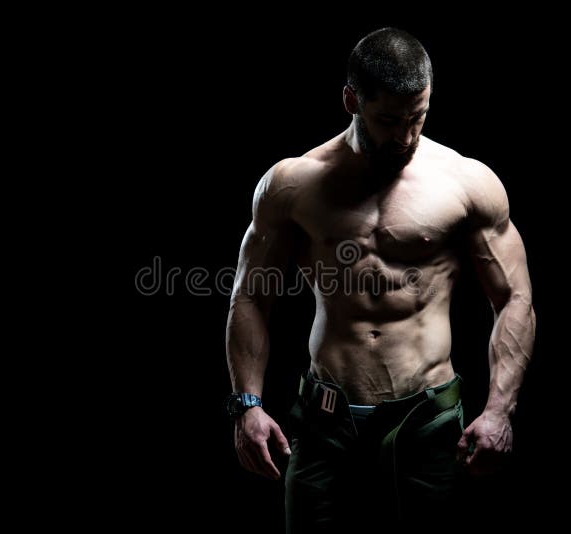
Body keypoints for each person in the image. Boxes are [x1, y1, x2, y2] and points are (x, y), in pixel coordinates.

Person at [225, 27, 535, 532]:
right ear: (351, 99)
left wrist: (500, 409)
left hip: (429, 423)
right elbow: (251, 299)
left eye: (418, 117)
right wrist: (247, 405)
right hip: (324, 424)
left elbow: (515, 297)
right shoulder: (293, 185)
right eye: (389, 121)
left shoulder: (464, 183)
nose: (406, 136)